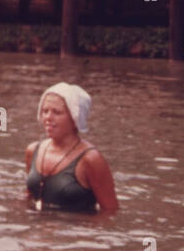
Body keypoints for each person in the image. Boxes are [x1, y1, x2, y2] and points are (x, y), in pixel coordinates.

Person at [25, 83, 117, 214]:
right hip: (38, 230)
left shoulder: (91, 159)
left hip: (74, 230)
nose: (48, 118)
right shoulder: (33, 150)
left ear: (75, 118)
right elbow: (29, 196)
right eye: (45, 111)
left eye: (56, 112)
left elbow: (110, 212)